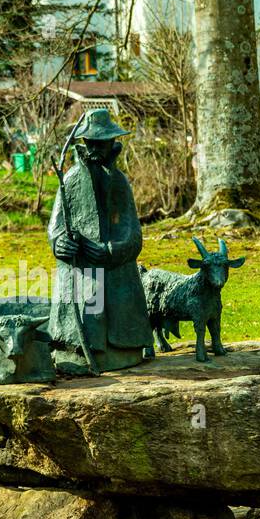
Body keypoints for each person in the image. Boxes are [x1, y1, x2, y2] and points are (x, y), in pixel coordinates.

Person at [48, 108, 151, 374]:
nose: (94, 148)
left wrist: (111, 252)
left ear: (111, 143)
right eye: (89, 142)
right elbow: (56, 227)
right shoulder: (69, 180)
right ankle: (78, 352)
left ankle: (123, 350)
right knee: (86, 302)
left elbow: (134, 235)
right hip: (81, 270)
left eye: (100, 142)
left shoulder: (119, 181)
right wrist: (60, 243)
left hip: (117, 271)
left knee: (117, 300)